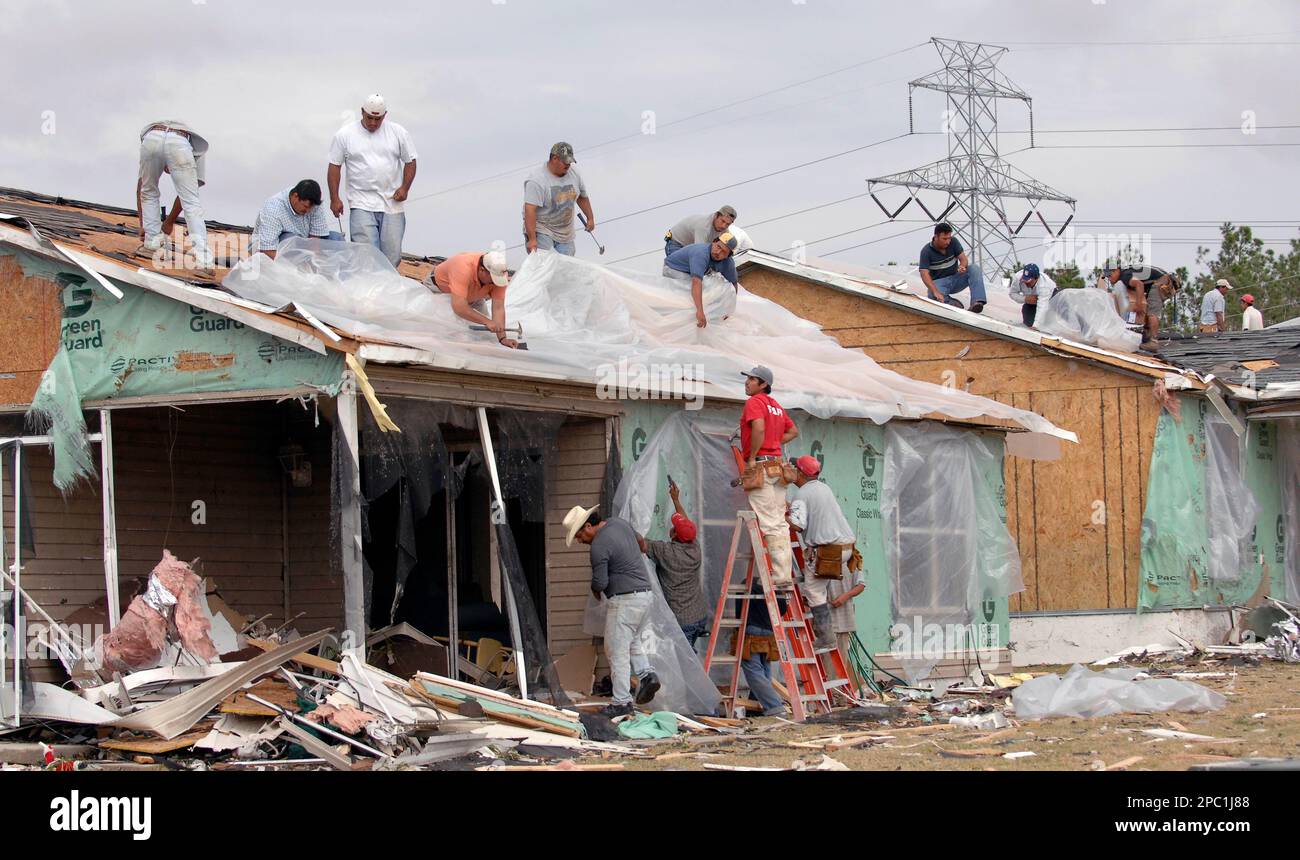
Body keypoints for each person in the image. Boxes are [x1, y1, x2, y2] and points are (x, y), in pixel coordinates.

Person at [565, 504, 661, 717]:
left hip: (625, 599)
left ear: (588, 526)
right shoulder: (619, 523)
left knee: (616, 650)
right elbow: (641, 543)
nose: (580, 541)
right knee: (632, 641)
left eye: (579, 535)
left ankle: (621, 702)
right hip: (645, 594)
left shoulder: (598, 545)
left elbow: (600, 582)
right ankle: (647, 675)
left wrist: (596, 591)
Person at [328, 94, 418, 267]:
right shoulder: (345, 134)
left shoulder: (398, 132)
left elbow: (411, 161)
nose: (373, 123)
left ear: (384, 116)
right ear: (362, 112)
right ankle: (366, 289)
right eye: (370, 118)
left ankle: (385, 289)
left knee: (392, 256)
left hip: (392, 203)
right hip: (361, 201)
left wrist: (405, 188)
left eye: (378, 119)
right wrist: (335, 198)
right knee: (365, 253)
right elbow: (334, 166)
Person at [786, 455, 859, 649]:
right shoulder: (824, 488)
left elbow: (798, 525)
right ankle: (826, 633)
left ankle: (826, 635)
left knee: (813, 590)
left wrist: (781, 515)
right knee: (820, 583)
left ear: (800, 472)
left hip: (828, 549)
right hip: (846, 547)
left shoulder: (801, 495)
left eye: (794, 468)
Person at [738, 365, 799, 588]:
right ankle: (783, 572)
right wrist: (774, 443)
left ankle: (781, 576)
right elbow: (793, 432)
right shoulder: (777, 407)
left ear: (763, 384)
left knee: (770, 522)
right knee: (779, 521)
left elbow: (759, 429)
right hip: (777, 468)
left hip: (763, 466)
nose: (747, 382)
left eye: (752, 379)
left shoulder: (754, 402)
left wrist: (753, 456)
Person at [638, 480, 708, 650]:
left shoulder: (665, 552)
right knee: (688, 657)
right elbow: (686, 525)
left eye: (674, 527)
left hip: (683, 621)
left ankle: (695, 677)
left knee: (684, 664)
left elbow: (640, 543)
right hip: (699, 615)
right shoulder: (694, 547)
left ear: (674, 535)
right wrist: (675, 499)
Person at [136, 120, 212, 268]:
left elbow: (142, 188)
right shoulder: (190, 148)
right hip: (178, 141)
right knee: (191, 202)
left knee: (149, 190)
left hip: (152, 138)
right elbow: (188, 198)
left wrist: (166, 222)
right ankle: (204, 260)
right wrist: (144, 225)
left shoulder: (194, 149)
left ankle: (151, 244)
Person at [424, 251, 519, 348]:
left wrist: (502, 339)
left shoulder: (499, 275)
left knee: (483, 335)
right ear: (482, 270)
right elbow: (459, 307)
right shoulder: (462, 266)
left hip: (473, 296)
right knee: (445, 329)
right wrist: (486, 321)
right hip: (440, 290)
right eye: (493, 279)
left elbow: (498, 308)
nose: (495, 283)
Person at [523, 142, 594, 256]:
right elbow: (530, 210)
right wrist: (532, 240)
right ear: (554, 158)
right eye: (565, 162)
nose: (568, 165)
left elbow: (581, 197)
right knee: (546, 263)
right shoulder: (536, 180)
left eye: (570, 162)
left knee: (566, 268)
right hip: (542, 228)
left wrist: (590, 218)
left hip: (565, 232)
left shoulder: (574, 174)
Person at [664, 233, 741, 328]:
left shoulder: (728, 263)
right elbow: (696, 282)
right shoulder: (701, 253)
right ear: (714, 242)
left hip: (690, 273)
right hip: (673, 269)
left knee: (717, 287)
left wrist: (728, 310)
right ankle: (683, 320)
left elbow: (733, 285)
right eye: (718, 247)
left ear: (727, 256)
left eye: (723, 252)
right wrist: (700, 311)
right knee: (689, 291)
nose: (718, 252)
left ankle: (711, 317)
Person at [250, 180, 342, 258]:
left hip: (302, 244)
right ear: (295, 196)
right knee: (290, 239)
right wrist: (295, 266)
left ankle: (344, 278)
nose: (308, 211)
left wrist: (313, 261)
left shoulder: (315, 205)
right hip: (268, 249)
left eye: (311, 208)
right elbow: (267, 250)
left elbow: (315, 239)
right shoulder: (273, 209)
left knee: (336, 238)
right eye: (305, 207)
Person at [736, 579, 788, 717]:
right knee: (765, 670)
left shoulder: (744, 584)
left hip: (751, 630)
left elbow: (739, 611)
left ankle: (775, 706)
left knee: (754, 671)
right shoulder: (774, 585)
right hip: (769, 632)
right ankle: (755, 709)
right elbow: (782, 609)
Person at [1104, 263, 1179, 350]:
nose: (1109, 279)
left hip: (1161, 282)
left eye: (1110, 275)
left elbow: (1139, 284)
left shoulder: (1125, 275)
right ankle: (1146, 337)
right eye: (1107, 277)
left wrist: (1138, 304)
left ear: (1117, 270)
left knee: (1151, 312)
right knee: (1147, 310)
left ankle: (1153, 342)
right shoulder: (1127, 272)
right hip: (1164, 280)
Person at [919, 223, 985, 313]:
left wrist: (962, 266)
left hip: (955, 278)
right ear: (936, 237)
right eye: (944, 239)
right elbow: (924, 274)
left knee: (974, 268)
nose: (948, 242)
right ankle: (950, 302)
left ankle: (977, 302)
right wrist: (935, 291)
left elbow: (964, 259)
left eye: (949, 238)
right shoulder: (926, 251)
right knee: (932, 294)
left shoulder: (954, 242)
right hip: (940, 283)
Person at [664, 206, 737, 256]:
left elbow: (730, 248)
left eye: (727, 224)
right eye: (722, 221)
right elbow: (699, 252)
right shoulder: (703, 227)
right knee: (680, 272)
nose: (723, 226)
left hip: (690, 248)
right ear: (716, 215)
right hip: (676, 244)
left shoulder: (725, 231)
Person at [1008, 262, 1057, 328]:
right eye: (1024, 280)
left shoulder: (1044, 285)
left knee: (1046, 322)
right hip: (1031, 298)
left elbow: (1042, 306)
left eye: (1029, 281)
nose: (1025, 283)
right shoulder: (1017, 278)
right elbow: (1012, 293)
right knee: (1026, 313)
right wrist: (1025, 299)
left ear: (1036, 278)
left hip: (1050, 298)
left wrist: (1035, 325)